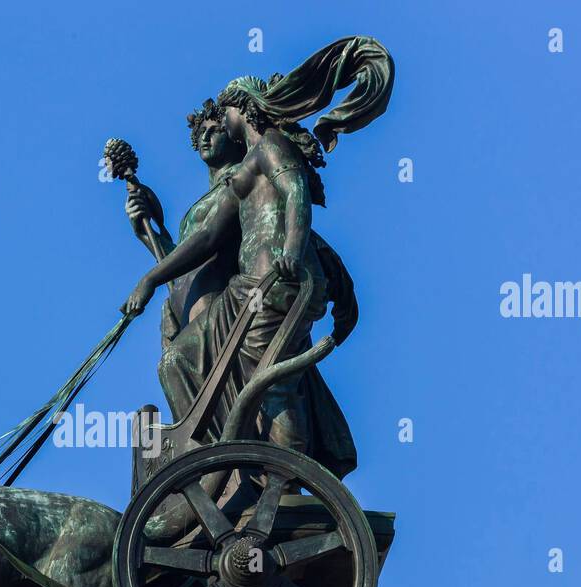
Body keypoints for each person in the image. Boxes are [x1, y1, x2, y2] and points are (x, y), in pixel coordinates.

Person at [121, 37, 393, 477]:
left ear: (241, 110)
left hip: (269, 283)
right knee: (186, 363)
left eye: (221, 117)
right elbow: (207, 240)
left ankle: (279, 480)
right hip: (248, 292)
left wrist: (290, 250)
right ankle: (219, 467)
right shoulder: (247, 170)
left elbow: (295, 192)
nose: (215, 127)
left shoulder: (269, 147)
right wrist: (152, 259)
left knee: (271, 386)